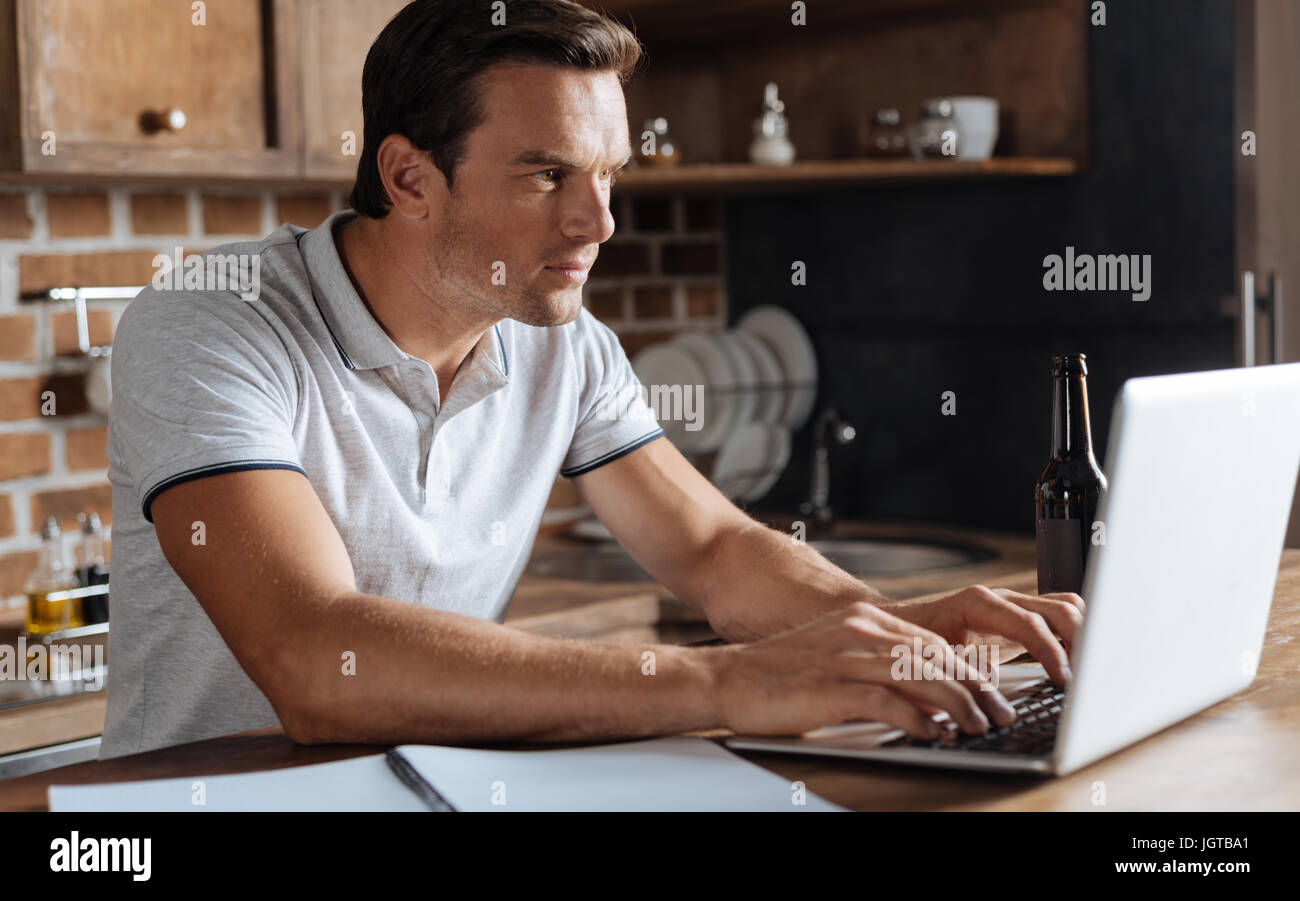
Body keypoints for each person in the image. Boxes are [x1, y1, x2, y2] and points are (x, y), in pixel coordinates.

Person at [102, 0, 1081, 759]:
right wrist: (728, 683)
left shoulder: (558, 342)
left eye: (607, 173)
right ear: (407, 178)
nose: (598, 223)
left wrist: (891, 631)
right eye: (547, 176)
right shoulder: (214, 324)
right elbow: (319, 662)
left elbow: (711, 548)